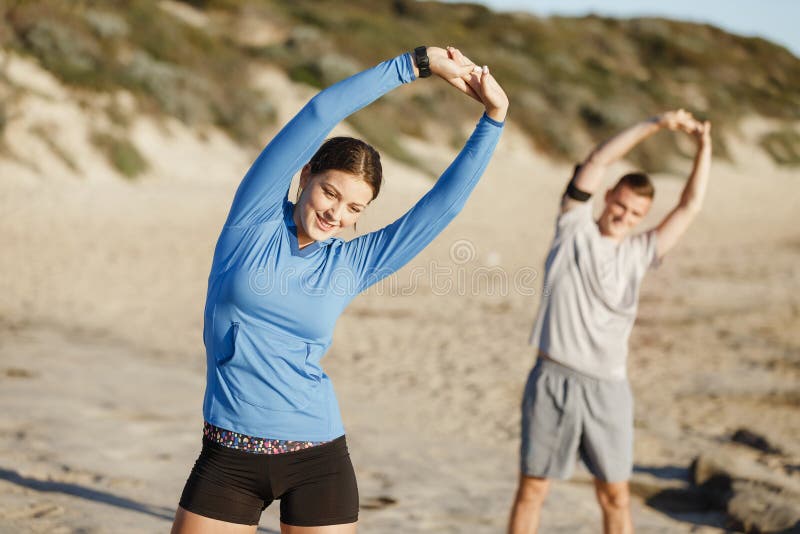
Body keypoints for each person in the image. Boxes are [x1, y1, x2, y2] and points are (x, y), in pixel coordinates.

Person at [171, 45, 508, 534]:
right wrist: (414, 65)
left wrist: (493, 119)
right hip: (229, 455)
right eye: (331, 192)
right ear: (305, 176)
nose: (336, 213)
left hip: (318, 457)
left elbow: (441, 208)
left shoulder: (352, 262)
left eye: (354, 208)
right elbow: (320, 112)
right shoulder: (254, 219)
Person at [508, 110, 712, 534]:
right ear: (607, 198)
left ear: (643, 217)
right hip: (553, 378)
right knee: (533, 490)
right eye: (620, 204)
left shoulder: (640, 253)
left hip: (609, 389)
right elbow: (597, 161)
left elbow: (690, 205)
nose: (624, 215)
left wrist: (704, 147)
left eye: (636, 212)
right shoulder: (573, 227)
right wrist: (655, 124)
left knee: (615, 496)